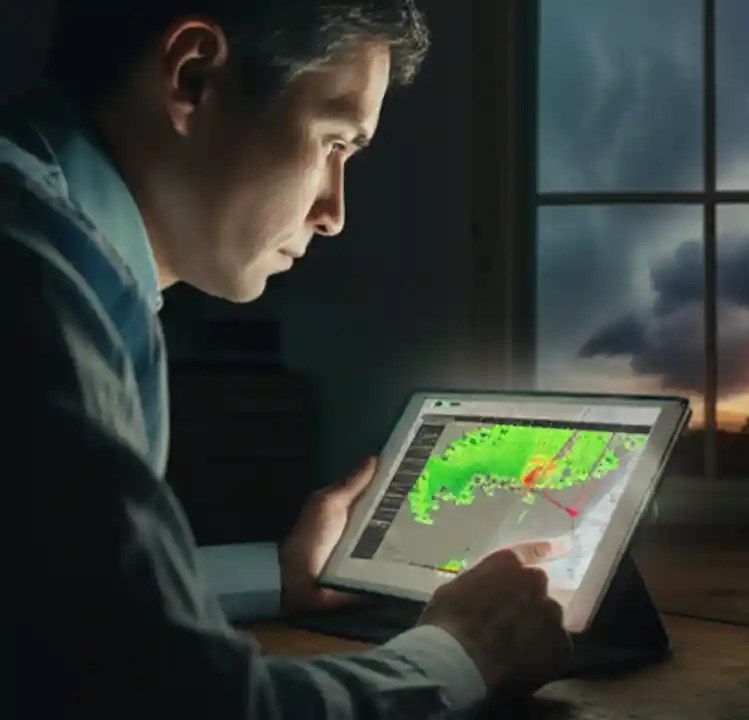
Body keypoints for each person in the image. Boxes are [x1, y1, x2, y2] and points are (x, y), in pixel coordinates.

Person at [3, 0, 571, 716]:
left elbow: (53, 605)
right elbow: (171, 702)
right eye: (335, 142)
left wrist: (279, 574)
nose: (334, 212)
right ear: (194, 77)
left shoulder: (52, 248)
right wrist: (461, 653)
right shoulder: (33, 284)